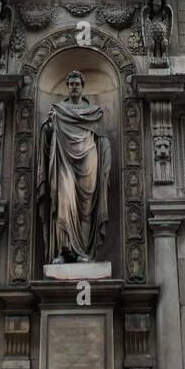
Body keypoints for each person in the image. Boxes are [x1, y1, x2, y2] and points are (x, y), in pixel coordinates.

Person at [37, 71, 111, 263]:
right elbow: (46, 139)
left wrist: (106, 163)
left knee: (86, 208)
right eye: (71, 84)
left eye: (77, 83)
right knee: (64, 201)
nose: (74, 87)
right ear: (67, 87)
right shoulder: (58, 110)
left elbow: (102, 138)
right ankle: (64, 250)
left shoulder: (93, 111)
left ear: (82, 86)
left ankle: (83, 251)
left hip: (89, 159)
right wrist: (48, 127)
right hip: (64, 161)